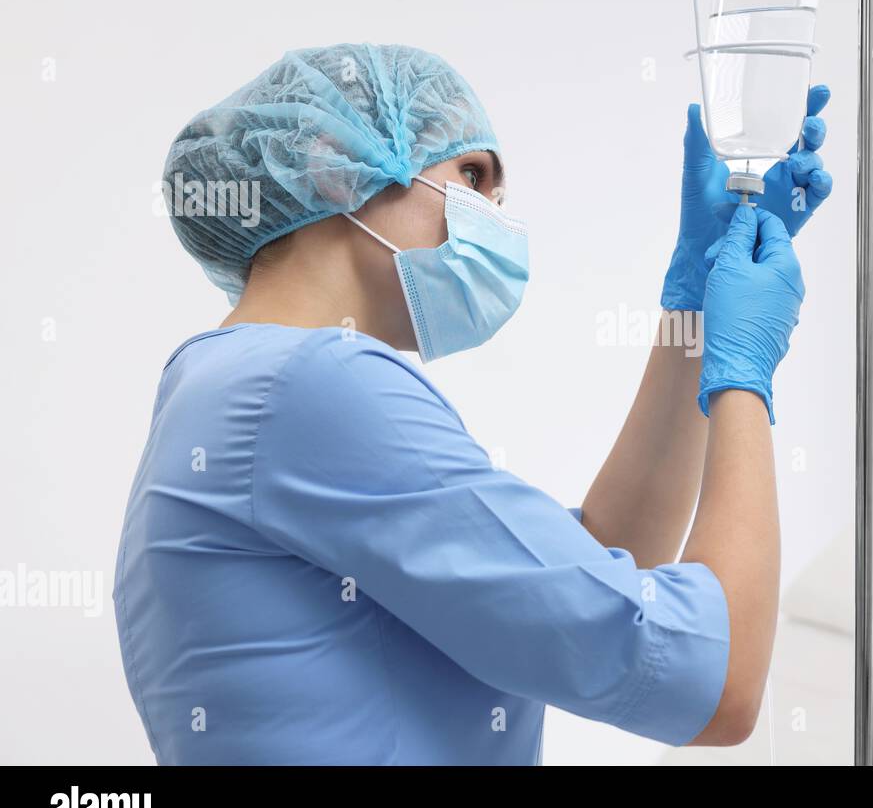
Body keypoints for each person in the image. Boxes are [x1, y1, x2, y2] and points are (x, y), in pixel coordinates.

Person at [113, 43, 833, 764]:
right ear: (333, 166)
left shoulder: (230, 382)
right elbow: (717, 678)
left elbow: (584, 584)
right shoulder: (312, 382)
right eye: (469, 173)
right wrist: (744, 374)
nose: (492, 213)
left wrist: (696, 316)